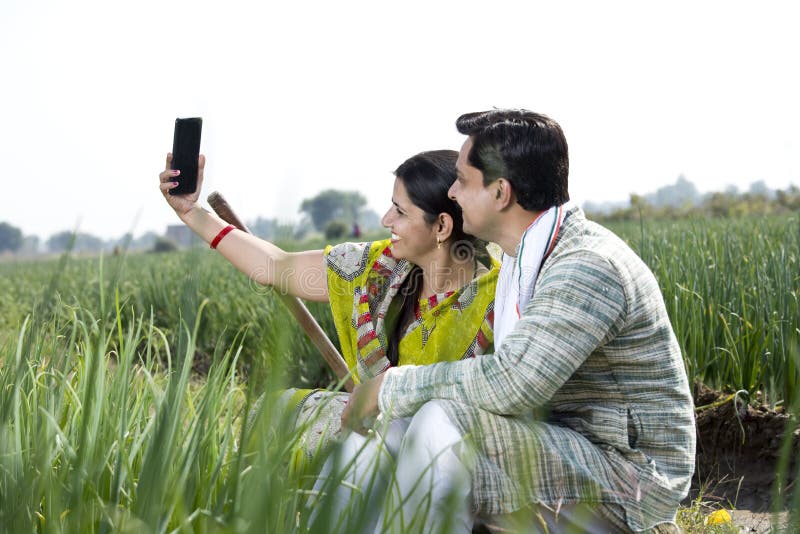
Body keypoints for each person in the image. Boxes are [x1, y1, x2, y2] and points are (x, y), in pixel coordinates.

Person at [343, 109, 697, 533]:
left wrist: (389, 384)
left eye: (462, 180)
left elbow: (514, 382)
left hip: (630, 484)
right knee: (391, 432)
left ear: (500, 192)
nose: (452, 193)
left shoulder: (585, 265)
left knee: (440, 423)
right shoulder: (519, 258)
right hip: (563, 453)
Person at [158, 148, 498, 459]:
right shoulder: (379, 270)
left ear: (441, 225)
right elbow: (276, 267)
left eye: (400, 211)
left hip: (449, 450)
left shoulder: (498, 297)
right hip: (375, 426)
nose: (385, 220)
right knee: (275, 412)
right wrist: (192, 213)